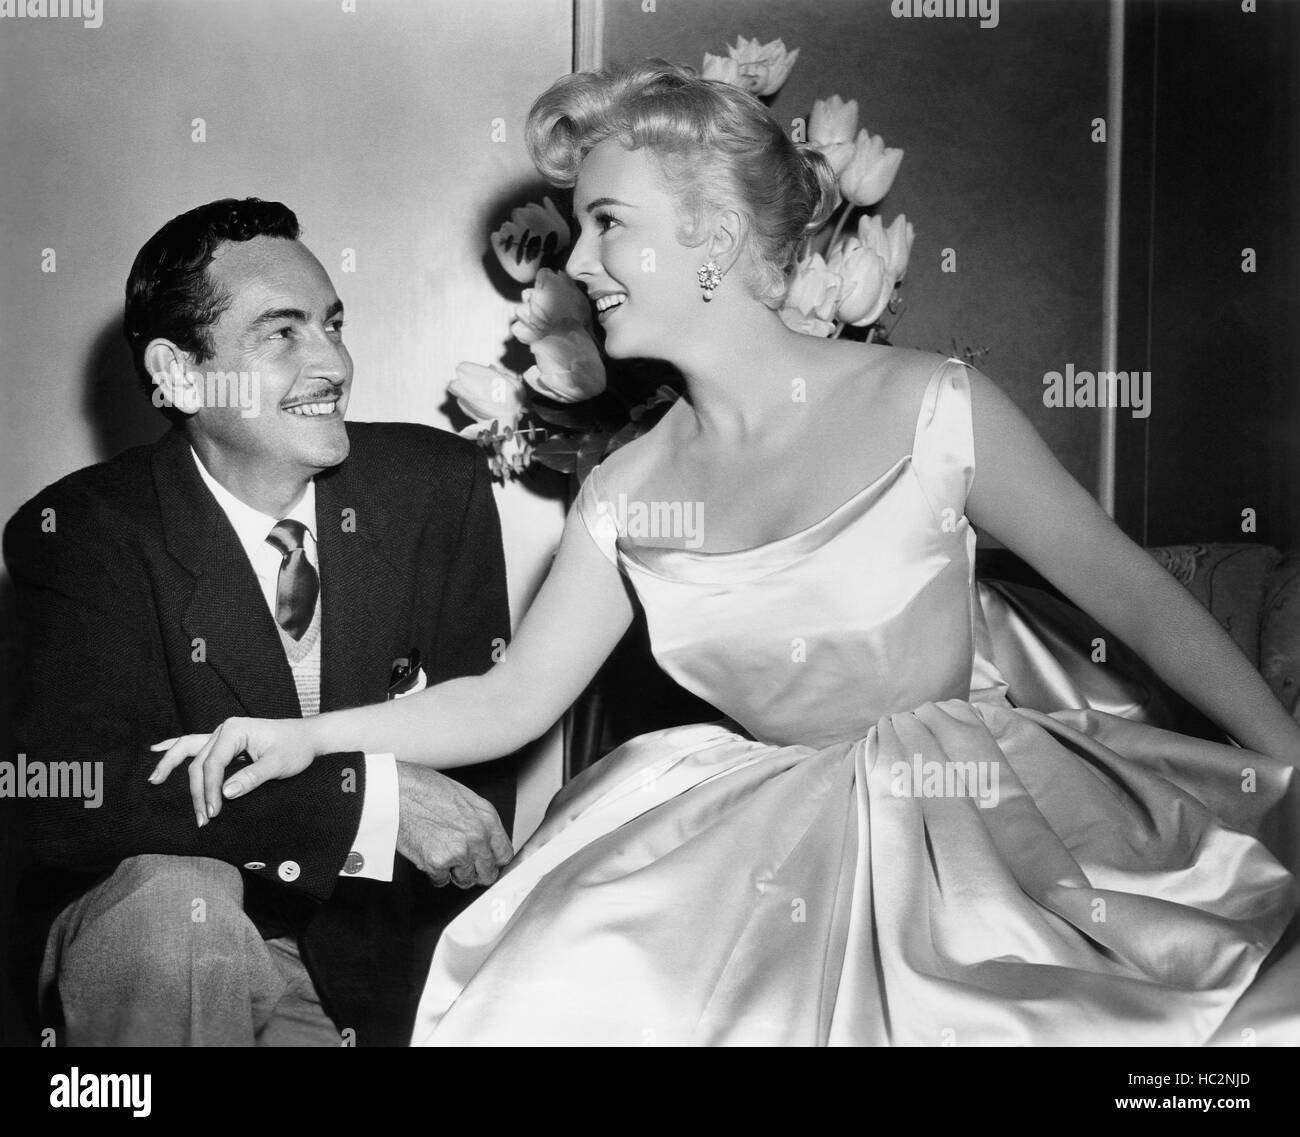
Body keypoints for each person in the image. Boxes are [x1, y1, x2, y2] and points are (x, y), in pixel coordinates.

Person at [153, 64, 1300, 1046]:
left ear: (711, 240)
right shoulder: (627, 487)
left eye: (610, 223)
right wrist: (306, 736)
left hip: (972, 826)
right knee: (560, 978)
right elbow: (510, 702)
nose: (579, 259)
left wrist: (1283, 761)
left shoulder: (933, 407)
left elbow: (1140, 603)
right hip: (760, 834)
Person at [4, 198, 516, 1046]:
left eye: (332, 324)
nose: (334, 364)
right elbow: (60, 791)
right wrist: (363, 800)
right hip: (170, 955)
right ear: (179, 375)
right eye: (282, 333)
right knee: (180, 908)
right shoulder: (83, 530)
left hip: (369, 960)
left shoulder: (437, 487)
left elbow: (468, 803)